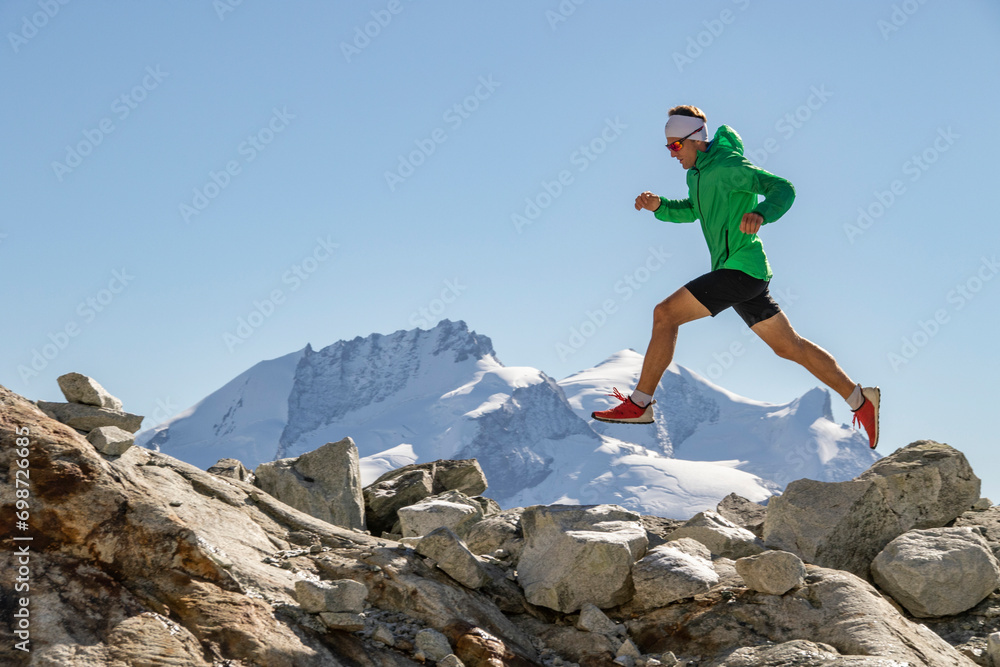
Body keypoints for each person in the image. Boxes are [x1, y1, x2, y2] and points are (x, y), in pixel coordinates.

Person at [591, 105, 881, 449]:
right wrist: (660, 207)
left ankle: (640, 404)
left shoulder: (730, 166)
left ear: (694, 139)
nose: (672, 154)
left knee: (665, 314)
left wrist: (761, 212)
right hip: (743, 274)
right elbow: (693, 211)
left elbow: (783, 188)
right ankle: (860, 400)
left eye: (675, 146)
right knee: (791, 348)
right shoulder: (696, 175)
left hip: (740, 269)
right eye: (668, 147)